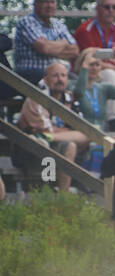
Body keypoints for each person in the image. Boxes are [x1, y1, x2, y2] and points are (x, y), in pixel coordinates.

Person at [17, 60, 88, 192]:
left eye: (63, 75)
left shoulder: (70, 98)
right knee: (51, 144)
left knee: (74, 142)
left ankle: (63, 196)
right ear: (46, 78)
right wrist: (67, 132)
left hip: (53, 142)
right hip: (32, 151)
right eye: (55, 75)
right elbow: (43, 129)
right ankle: (55, 194)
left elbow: (82, 129)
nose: (60, 79)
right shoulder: (35, 97)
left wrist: (52, 134)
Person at [72, 0, 115, 129]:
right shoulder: (85, 29)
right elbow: (90, 61)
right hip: (91, 77)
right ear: (97, 8)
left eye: (114, 7)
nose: (111, 10)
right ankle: (114, 119)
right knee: (109, 74)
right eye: (107, 7)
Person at [71, 47, 115, 174]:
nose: (94, 68)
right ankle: (92, 184)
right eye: (90, 65)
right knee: (99, 148)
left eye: (97, 65)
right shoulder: (72, 84)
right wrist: (84, 68)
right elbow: (79, 92)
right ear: (83, 65)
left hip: (101, 135)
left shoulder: (102, 88)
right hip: (83, 136)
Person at [13, 0, 79, 85]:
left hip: (56, 72)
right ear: (35, 4)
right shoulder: (26, 22)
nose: (49, 6)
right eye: (45, 2)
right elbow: (44, 48)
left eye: (52, 2)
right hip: (31, 74)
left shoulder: (58, 24)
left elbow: (75, 50)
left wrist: (50, 47)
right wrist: (64, 43)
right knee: (56, 80)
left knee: (79, 82)